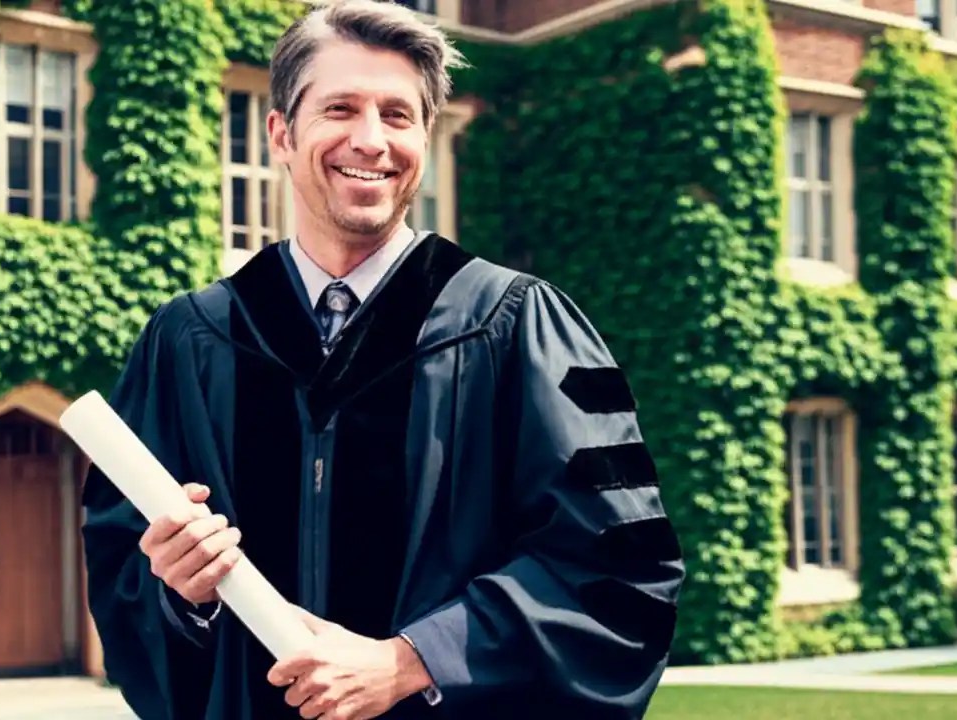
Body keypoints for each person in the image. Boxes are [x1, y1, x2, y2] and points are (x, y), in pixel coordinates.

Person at [80, 1, 685, 719]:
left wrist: (411, 660)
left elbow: (619, 572)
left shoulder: (514, 325)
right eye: (340, 108)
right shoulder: (190, 340)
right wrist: (184, 595)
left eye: (398, 116)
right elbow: (123, 581)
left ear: (426, 139)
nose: (371, 140)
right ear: (281, 131)